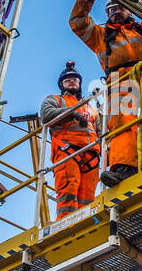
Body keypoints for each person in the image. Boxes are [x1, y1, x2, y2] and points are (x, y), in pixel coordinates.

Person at [69, 0, 142, 186]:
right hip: (121, 80)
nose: (116, 11)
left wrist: (141, 4)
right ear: (107, 14)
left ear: (130, 11)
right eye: (112, 8)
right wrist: (87, 0)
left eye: (121, 7)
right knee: (122, 118)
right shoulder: (101, 36)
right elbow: (78, 22)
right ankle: (124, 168)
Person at [40, 61, 100, 219]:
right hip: (67, 152)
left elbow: (101, 134)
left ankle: (86, 225)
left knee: (88, 198)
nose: (72, 80)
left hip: (91, 157)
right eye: (67, 79)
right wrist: (71, 112)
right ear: (61, 84)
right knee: (68, 192)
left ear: (80, 83)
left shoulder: (91, 109)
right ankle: (65, 225)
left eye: (75, 78)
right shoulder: (55, 100)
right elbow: (46, 115)